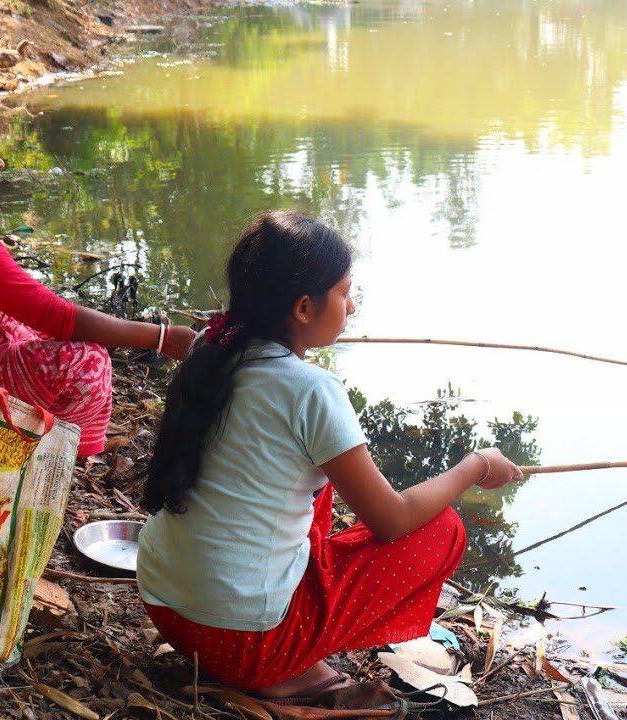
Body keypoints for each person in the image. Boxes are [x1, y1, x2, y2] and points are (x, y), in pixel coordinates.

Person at [137, 211, 523, 704]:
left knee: (316, 489)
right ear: (303, 309)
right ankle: (281, 669)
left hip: (166, 605)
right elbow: (391, 519)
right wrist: (475, 466)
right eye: (344, 293)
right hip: (238, 642)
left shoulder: (211, 352)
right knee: (443, 530)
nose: (353, 306)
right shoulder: (311, 391)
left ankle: (284, 644)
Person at [0, 92, 196, 457]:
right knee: (87, 361)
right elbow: (54, 315)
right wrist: (162, 338)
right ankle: (57, 461)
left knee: (41, 329)